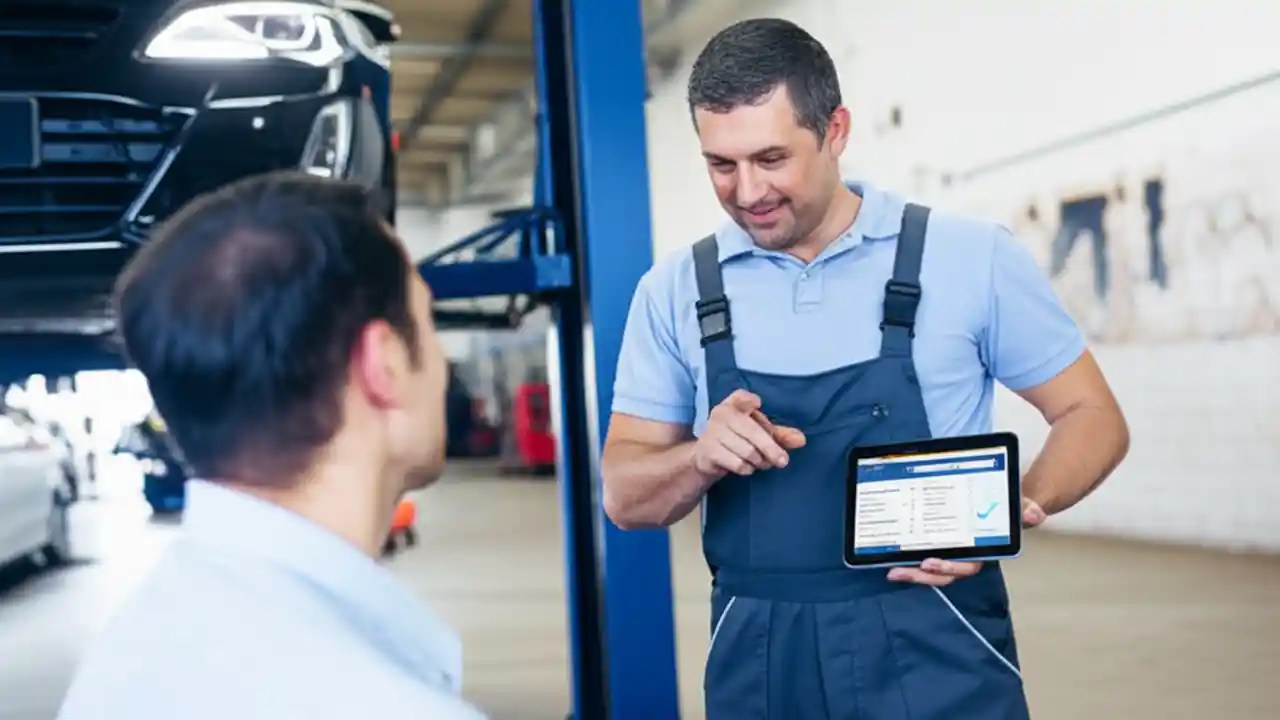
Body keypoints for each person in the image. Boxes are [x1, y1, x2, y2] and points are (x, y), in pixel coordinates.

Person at [601, 18, 1130, 720]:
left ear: (836, 130)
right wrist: (700, 457)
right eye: (720, 165)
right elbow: (625, 495)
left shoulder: (970, 257)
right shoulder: (676, 290)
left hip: (936, 641)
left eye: (771, 158)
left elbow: (1093, 416)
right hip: (760, 661)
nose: (747, 190)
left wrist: (1021, 501)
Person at [57, 172, 486, 719]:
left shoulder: (132, 655)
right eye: (427, 322)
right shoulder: (384, 703)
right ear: (385, 365)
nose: (443, 365)